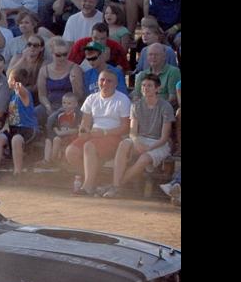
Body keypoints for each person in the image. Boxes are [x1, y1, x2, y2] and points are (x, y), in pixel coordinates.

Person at [68, 66, 130, 196]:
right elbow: (85, 123)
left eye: (109, 81)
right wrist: (83, 131)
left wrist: (105, 133)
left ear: (116, 83)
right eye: (102, 80)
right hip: (94, 134)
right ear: (97, 81)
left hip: (113, 136)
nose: (105, 83)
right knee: (71, 152)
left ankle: (88, 186)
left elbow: (125, 127)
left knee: (89, 146)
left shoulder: (122, 99)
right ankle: (95, 179)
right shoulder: (92, 98)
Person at [110, 72, 173, 195]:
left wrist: (149, 148)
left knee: (144, 158)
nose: (145, 88)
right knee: (124, 144)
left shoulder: (166, 107)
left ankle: (115, 185)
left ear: (157, 88)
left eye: (149, 85)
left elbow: (164, 137)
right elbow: (133, 132)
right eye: (143, 85)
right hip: (140, 139)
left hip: (158, 143)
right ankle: (116, 186)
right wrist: (136, 142)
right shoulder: (136, 105)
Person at [0, 66, 40, 176]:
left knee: (16, 139)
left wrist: (19, 87)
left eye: (9, 79)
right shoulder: (12, 96)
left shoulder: (25, 94)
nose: (8, 81)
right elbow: (11, 114)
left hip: (27, 129)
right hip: (12, 127)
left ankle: (17, 173)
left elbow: (23, 93)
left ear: (13, 81)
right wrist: (6, 125)